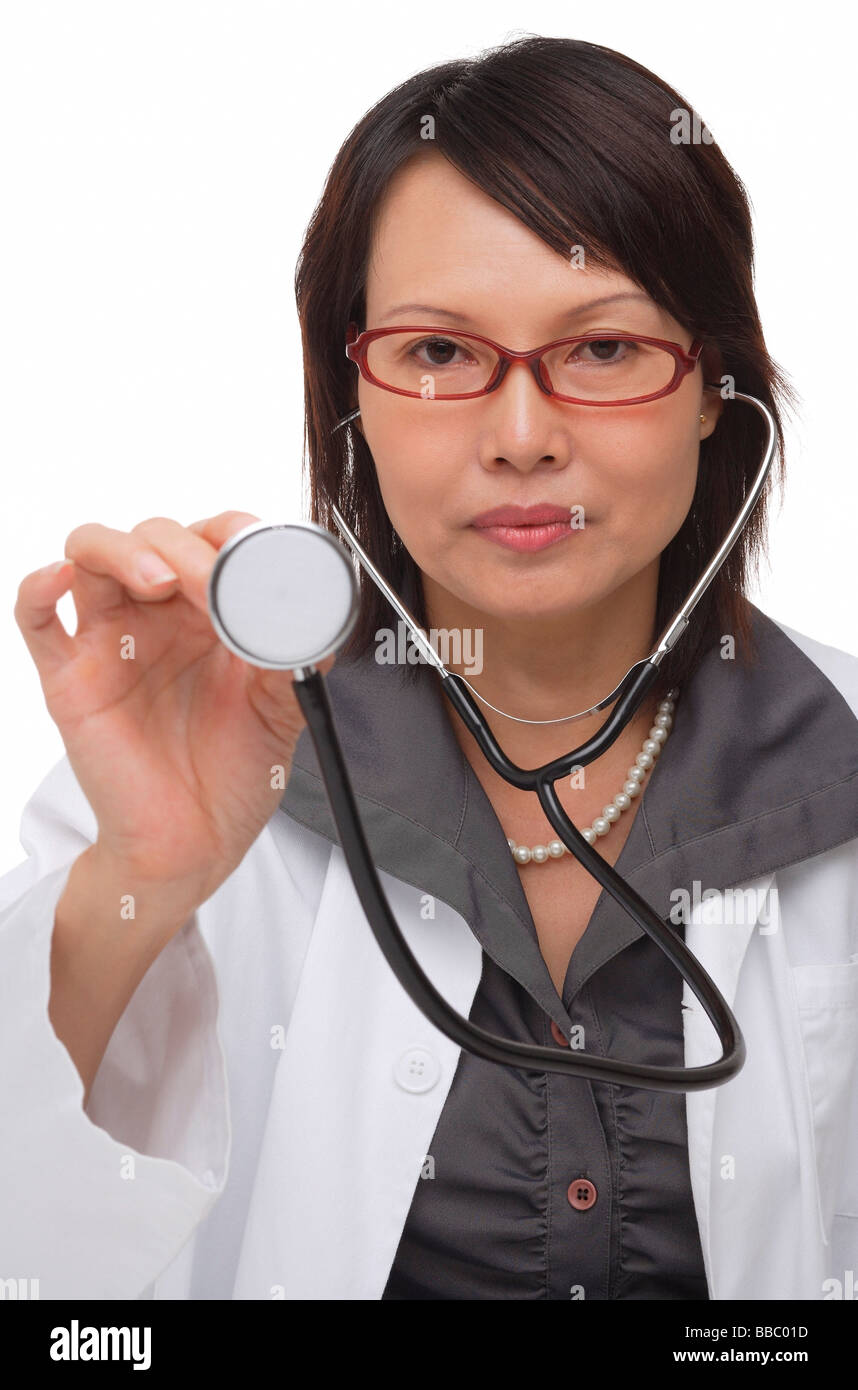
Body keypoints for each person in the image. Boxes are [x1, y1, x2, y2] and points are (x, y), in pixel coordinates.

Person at [3, 35, 857, 1302]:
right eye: (441, 353)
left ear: (713, 391)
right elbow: (47, 1267)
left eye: (605, 351)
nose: (522, 438)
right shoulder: (207, 755)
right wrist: (144, 875)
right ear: (353, 391)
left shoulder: (836, 751)